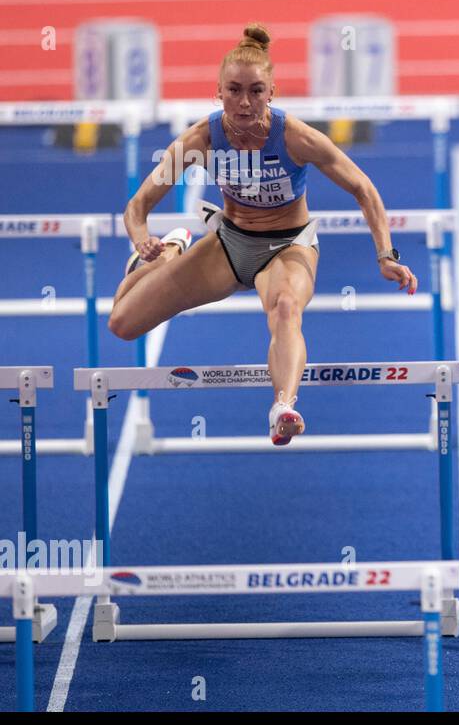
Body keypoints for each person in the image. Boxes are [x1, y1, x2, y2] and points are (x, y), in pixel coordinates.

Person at [107, 23, 418, 443]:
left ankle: (283, 406)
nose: (244, 102)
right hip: (229, 245)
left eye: (255, 90)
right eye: (234, 90)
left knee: (287, 307)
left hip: (289, 247)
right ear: (218, 92)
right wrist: (141, 238)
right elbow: (137, 206)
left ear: (272, 92)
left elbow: (363, 187)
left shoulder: (295, 138)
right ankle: (169, 254)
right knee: (122, 324)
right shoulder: (201, 139)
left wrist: (386, 255)